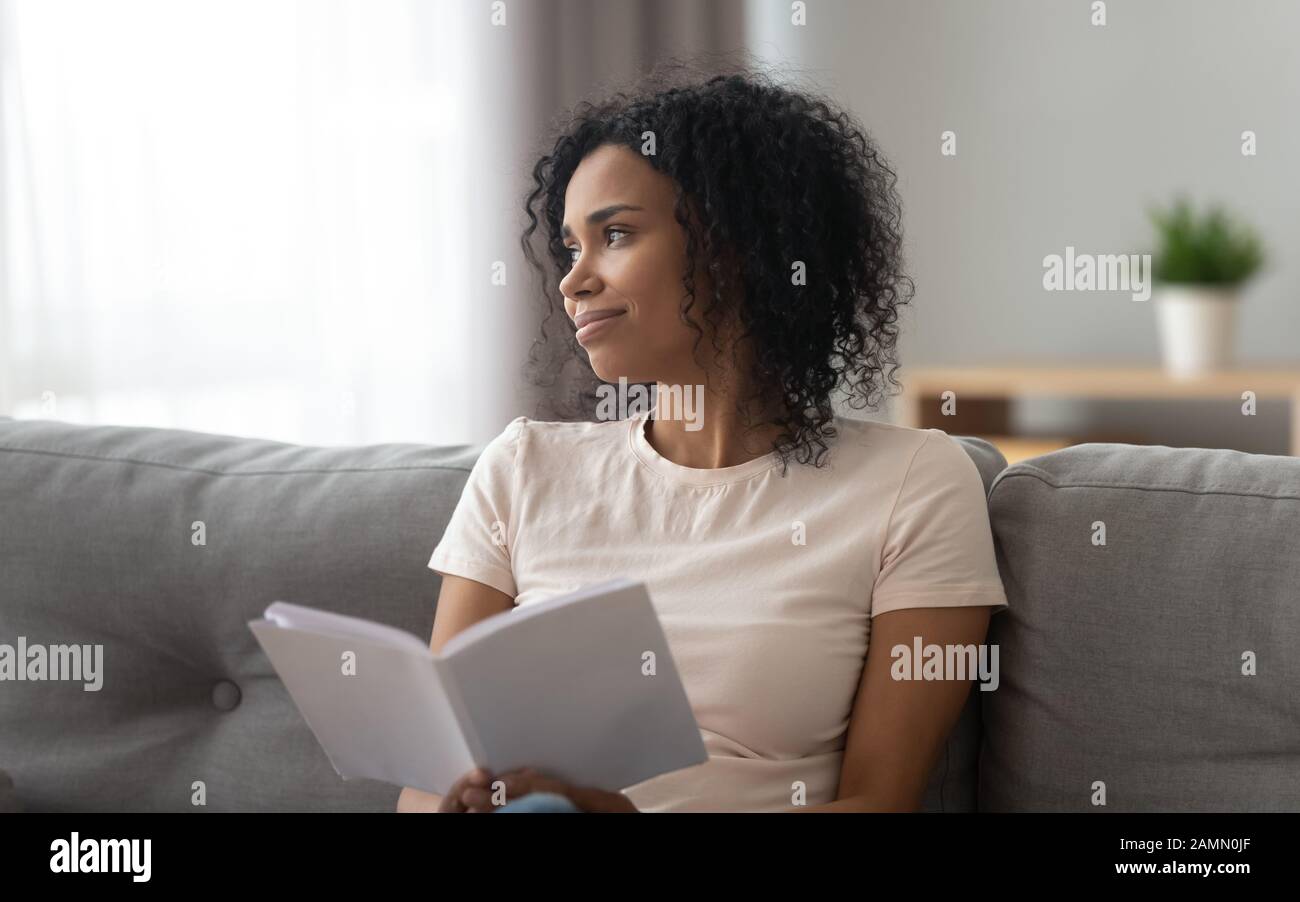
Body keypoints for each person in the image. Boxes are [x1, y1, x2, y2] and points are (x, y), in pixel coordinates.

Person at [397, 63, 1008, 814]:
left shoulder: (915, 483)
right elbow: (424, 790)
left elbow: (878, 806)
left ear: (734, 246)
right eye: (570, 248)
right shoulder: (523, 470)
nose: (572, 280)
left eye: (614, 234)